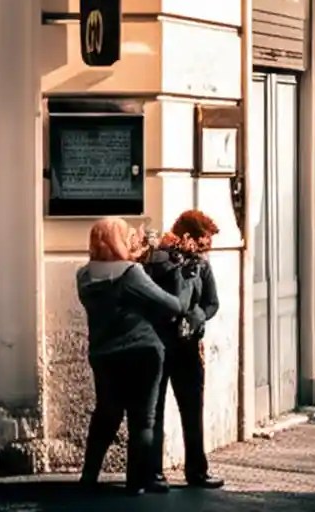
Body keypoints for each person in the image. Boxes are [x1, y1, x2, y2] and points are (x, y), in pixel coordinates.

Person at [77, 217, 184, 495]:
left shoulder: (84, 276)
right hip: (141, 351)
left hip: (103, 352)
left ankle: (89, 476)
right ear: (119, 240)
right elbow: (171, 304)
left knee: (106, 415)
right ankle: (137, 481)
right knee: (142, 418)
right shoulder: (131, 273)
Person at [141, 209, 225, 490]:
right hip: (160, 342)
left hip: (189, 345)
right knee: (155, 409)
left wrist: (199, 315)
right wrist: (176, 268)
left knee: (192, 409)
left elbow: (212, 302)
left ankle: (197, 471)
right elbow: (159, 297)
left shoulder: (202, 265)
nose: (207, 248)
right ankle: (153, 471)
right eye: (204, 241)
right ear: (189, 237)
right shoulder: (157, 259)